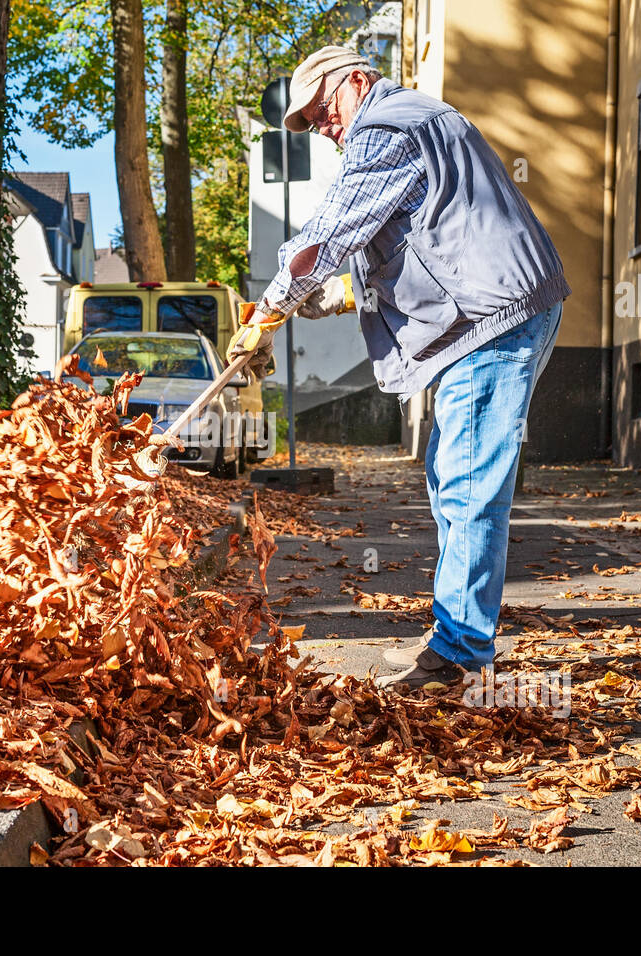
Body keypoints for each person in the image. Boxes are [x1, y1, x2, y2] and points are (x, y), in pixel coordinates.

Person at [229, 46, 569, 691]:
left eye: (322, 112)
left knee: (468, 484)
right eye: (308, 124)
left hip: (491, 318)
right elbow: (414, 236)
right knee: (453, 482)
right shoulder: (408, 126)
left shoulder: (390, 125)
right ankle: (455, 635)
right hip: (485, 313)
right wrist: (337, 296)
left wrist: (270, 310)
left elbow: (332, 233)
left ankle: (460, 655)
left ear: (355, 81)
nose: (322, 129)